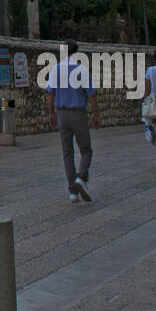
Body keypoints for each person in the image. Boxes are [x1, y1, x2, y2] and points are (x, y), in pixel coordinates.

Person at [46, 40, 101, 202]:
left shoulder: (55, 70)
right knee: (86, 149)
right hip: (78, 113)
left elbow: (50, 94)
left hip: (62, 113)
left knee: (67, 152)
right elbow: (91, 94)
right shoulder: (81, 70)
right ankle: (81, 178)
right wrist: (96, 114)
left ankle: (72, 192)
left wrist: (51, 113)